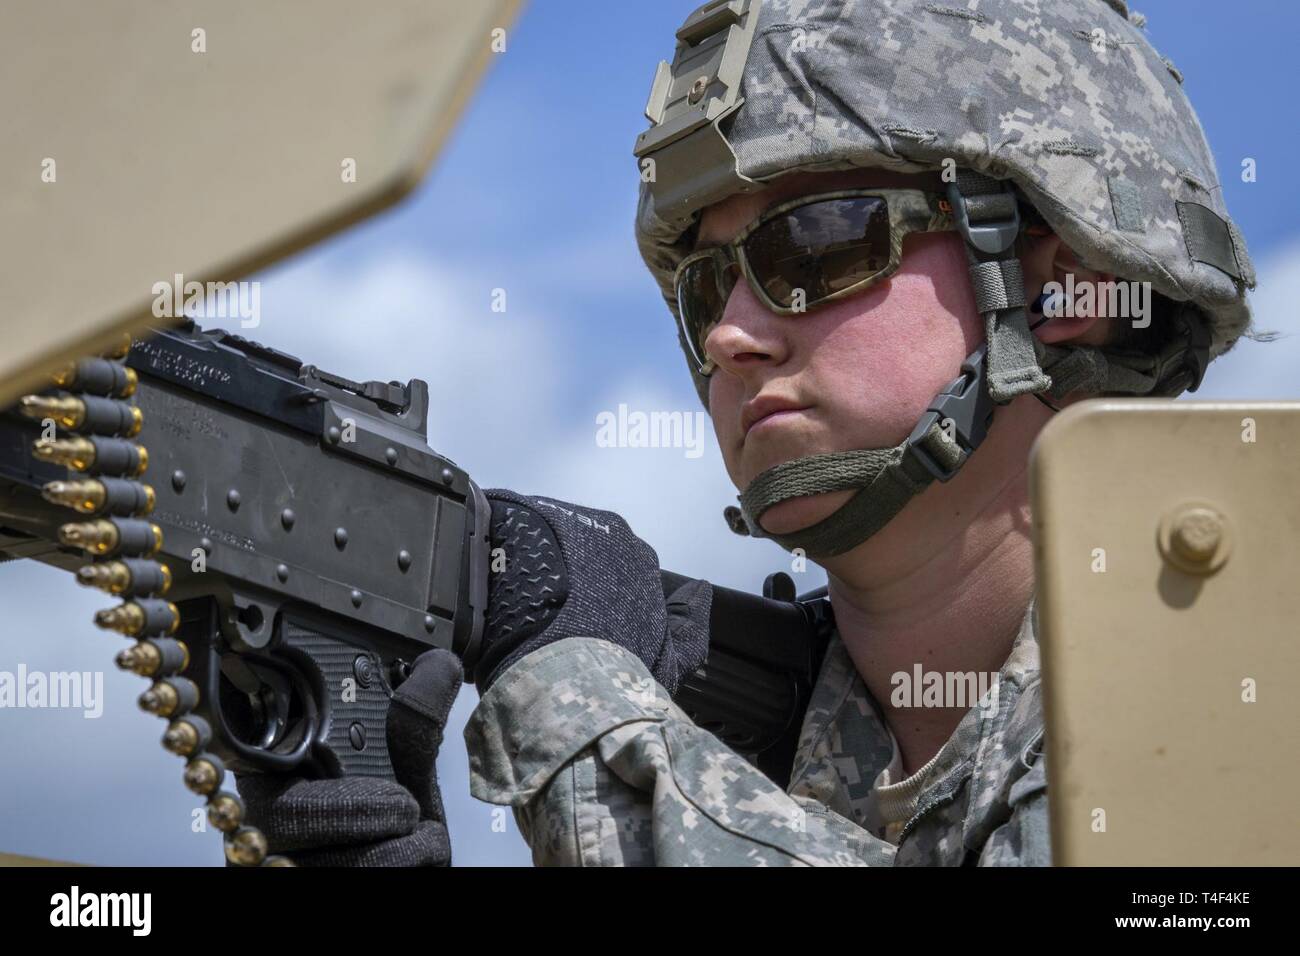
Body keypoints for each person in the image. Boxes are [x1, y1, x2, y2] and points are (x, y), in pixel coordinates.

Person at [239, 0, 1254, 865]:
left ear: (1062, 282)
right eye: (706, 285)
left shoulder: (1240, 683)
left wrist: (579, 706)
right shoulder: (772, 740)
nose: (729, 333)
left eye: (811, 246)